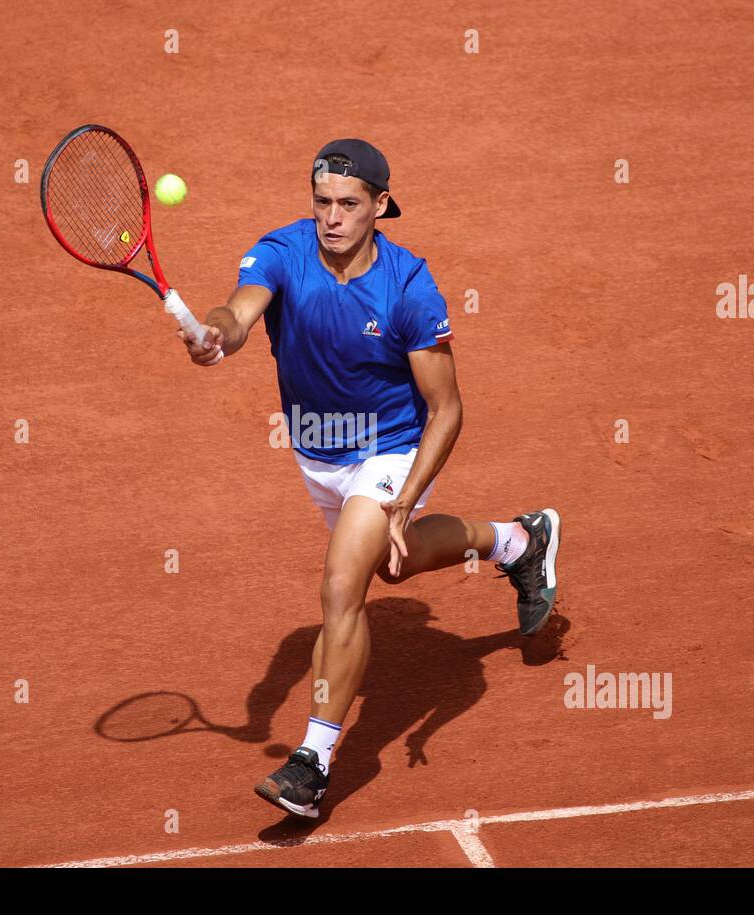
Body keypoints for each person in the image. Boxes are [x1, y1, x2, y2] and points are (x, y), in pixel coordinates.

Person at [179, 138, 561, 819]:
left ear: (380, 205)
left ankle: (313, 762)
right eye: (322, 202)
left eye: (349, 205)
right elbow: (238, 309)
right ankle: (518, 542)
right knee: (391, 568)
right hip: (317, 456)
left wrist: (406, 495)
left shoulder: (411, 287)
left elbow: (448, 407)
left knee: (340, 585)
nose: (332, 218)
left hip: (390, 449)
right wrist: (216, 334)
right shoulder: (283, 250)